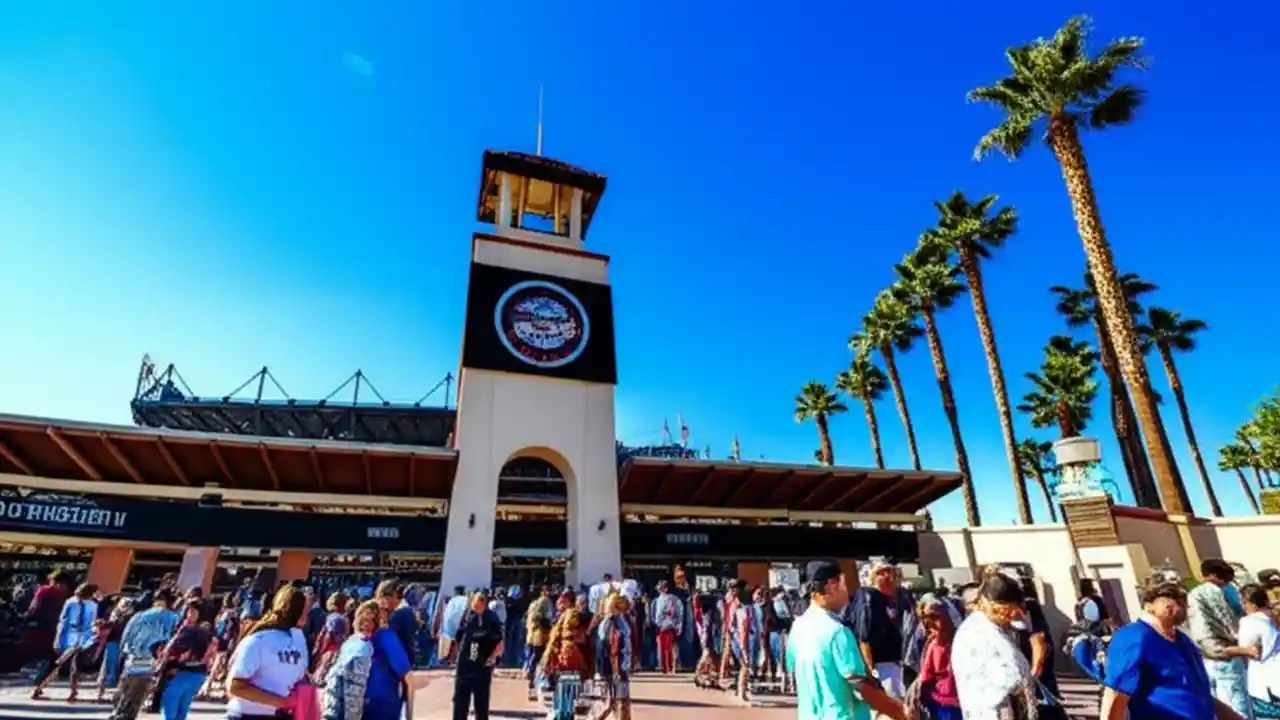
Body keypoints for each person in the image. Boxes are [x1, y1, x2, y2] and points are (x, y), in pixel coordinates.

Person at [1101, 575, 1244, 720]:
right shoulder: (1134, 637)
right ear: (1159, 605)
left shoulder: (1182, 640)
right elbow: (1116, 695)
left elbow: (1197, 693)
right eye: (1181, 603)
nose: (1187, 608)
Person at [787, 560, 905, 720]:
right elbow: (860, 687)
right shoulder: (837, 631)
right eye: (844, 583)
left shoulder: (798, 627)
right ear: (832, 585)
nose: (848, 591)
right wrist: (899, 711)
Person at [951, 573, 1038, 720]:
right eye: (1011, 611)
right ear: (998, 607)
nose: (1013, 617)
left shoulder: (974, 626)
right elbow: (1014, 680)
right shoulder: (986, 634)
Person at [225, 584, 311, 719]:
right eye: (304, 610)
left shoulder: (298, 640)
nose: (306, 615)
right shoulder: (259, 640)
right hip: (247, 714)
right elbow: (235, 686)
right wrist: (280, 702)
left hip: (281, 714)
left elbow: (298, 677)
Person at [1189, 559, 1256, 718]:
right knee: (1238, 707)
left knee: (1227, 708)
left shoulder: (1196, 595)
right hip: (1228, 658)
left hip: (1214, 659)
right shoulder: (1220, 592)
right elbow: (1230, 625)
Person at [108, 589, 179, 720]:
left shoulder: (139, 615)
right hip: (152, 661)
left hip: (132, 658)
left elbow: (126, 637)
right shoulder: (172, 617)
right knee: (137, 696)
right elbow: (174, 639)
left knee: (124, 691)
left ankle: (117, 713)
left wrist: (125, 652)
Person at [851, 560, 912, 698]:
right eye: (880, 573)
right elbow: (864, 637)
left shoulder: (900, 598)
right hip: (882, 666)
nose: (886, 576)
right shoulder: (869, 597)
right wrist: (871, 670)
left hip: (898, 664)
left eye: (889, 572)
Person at [32, 581, 99, 701]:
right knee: (58, 663)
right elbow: (63, 621)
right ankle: (40, 686)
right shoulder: (71, 602)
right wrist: (58, 638)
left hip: (83, 636)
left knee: (76, 665)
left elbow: (92, 622)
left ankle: (73, 691)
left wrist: (91, 637)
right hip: (70, 634)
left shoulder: (92, 605)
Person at [158, 600, 216, 720]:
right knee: (182, 708)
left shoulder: (190, 630)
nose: (188, 614)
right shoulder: (209, 630)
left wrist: (165, 665)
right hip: (199, 673)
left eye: (192, 611)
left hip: (182, 672)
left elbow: (175, 650)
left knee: (170, 706)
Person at [452, 591, 504, 720]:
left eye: (481, 600)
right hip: (465, 662)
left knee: (481, 700)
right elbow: (459, 636)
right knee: (461, 699)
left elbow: (499, 641)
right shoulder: (468, 616)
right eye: (476, 601)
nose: (477, 604)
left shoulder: (491, 618)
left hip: (482, 663)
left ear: (485, 602)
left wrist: (492, 658)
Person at [906, 597, 960, 720]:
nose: (935, 625)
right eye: (929, 620)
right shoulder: (934, 646)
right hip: (942, 705)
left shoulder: (961, 642)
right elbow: (926, 677)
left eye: (936, 617)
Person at [1237, 584, 1280, 719]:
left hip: (1266, 682)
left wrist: (1229, 650)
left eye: (1244, 603)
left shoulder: (1249, 622)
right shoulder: (1274, 616)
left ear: (1252, 604)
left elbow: (1250, 651)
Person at [97, 596, 136, 702]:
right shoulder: (116, 614)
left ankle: (114, 692)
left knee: (120, 666)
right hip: (114, 641)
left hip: (124, 643)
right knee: (109, 664)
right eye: (124, 605)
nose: (126, 607)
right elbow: (112, 625)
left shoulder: (131, 617)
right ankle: (102, 691)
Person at [524, 585, 553, 697]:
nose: (548, 592)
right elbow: (543, 618)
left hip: (531, 634)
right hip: (540, 634)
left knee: (533, 657)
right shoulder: (545, 601)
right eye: (546, 590)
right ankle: (540, 680)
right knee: (542, 658)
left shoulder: (532, 604)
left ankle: (530, 677)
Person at [650, 581, 683, 675]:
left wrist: (678, 624)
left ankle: (672, 667)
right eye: (659, 588)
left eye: (662, 588)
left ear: (666, 588)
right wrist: (656, 624)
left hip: (671, 626)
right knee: (663, 648)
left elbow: (679, 612)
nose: (660, 590)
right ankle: (664, 668)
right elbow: (653, 614)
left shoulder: (673, 599)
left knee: (671, 648)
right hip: (661, 627)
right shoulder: (656, 601)